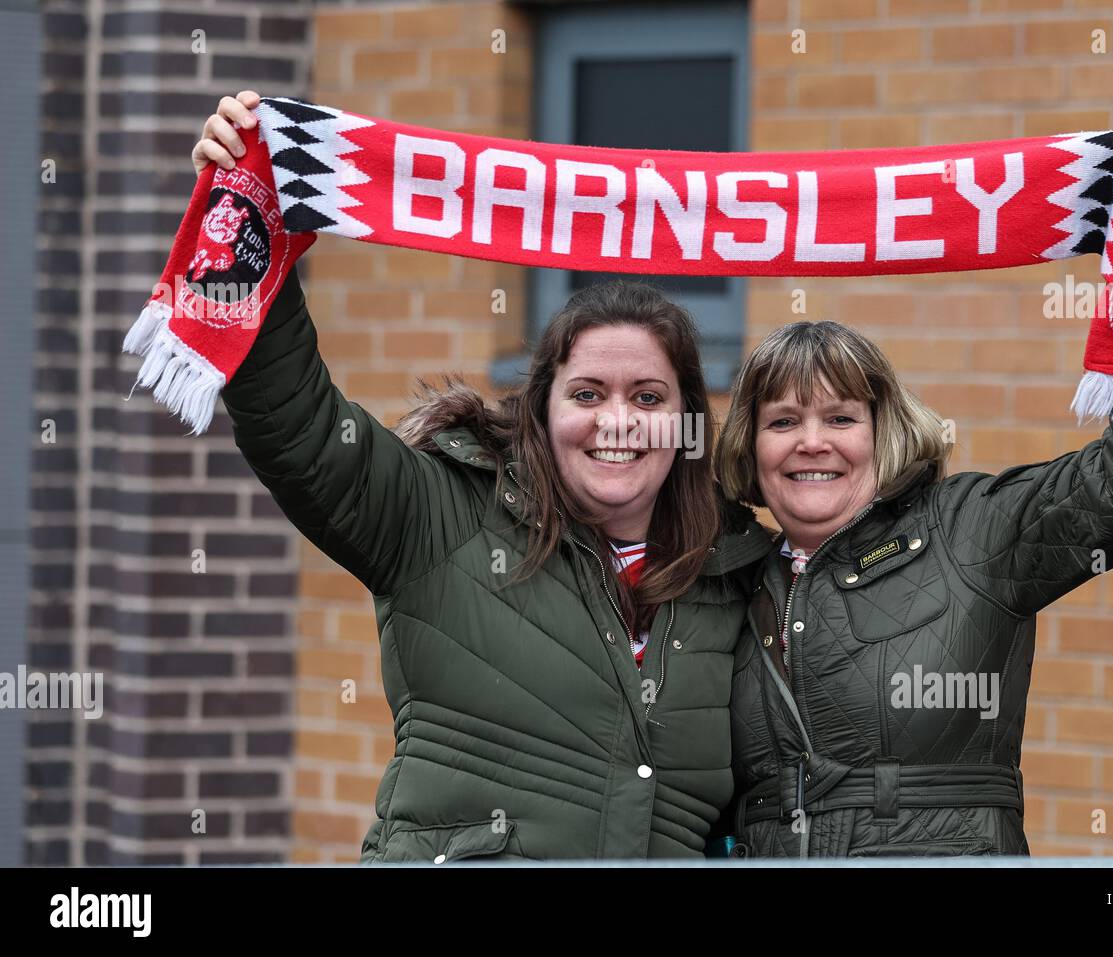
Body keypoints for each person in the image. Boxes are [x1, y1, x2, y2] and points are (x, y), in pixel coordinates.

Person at [194, 91, 770, 861]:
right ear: (541, 408)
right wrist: (246, 214)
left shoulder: (739, 575)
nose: (618, 421)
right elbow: (297, 428)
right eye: (588, 394)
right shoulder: (441, 514)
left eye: (650, 397)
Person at [714, 130, 1113, 856]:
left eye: (841, 418)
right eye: (784, 420)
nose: (811, 441)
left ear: (883, 431)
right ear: (751, 446)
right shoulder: (723, 574)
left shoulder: (971, 529)